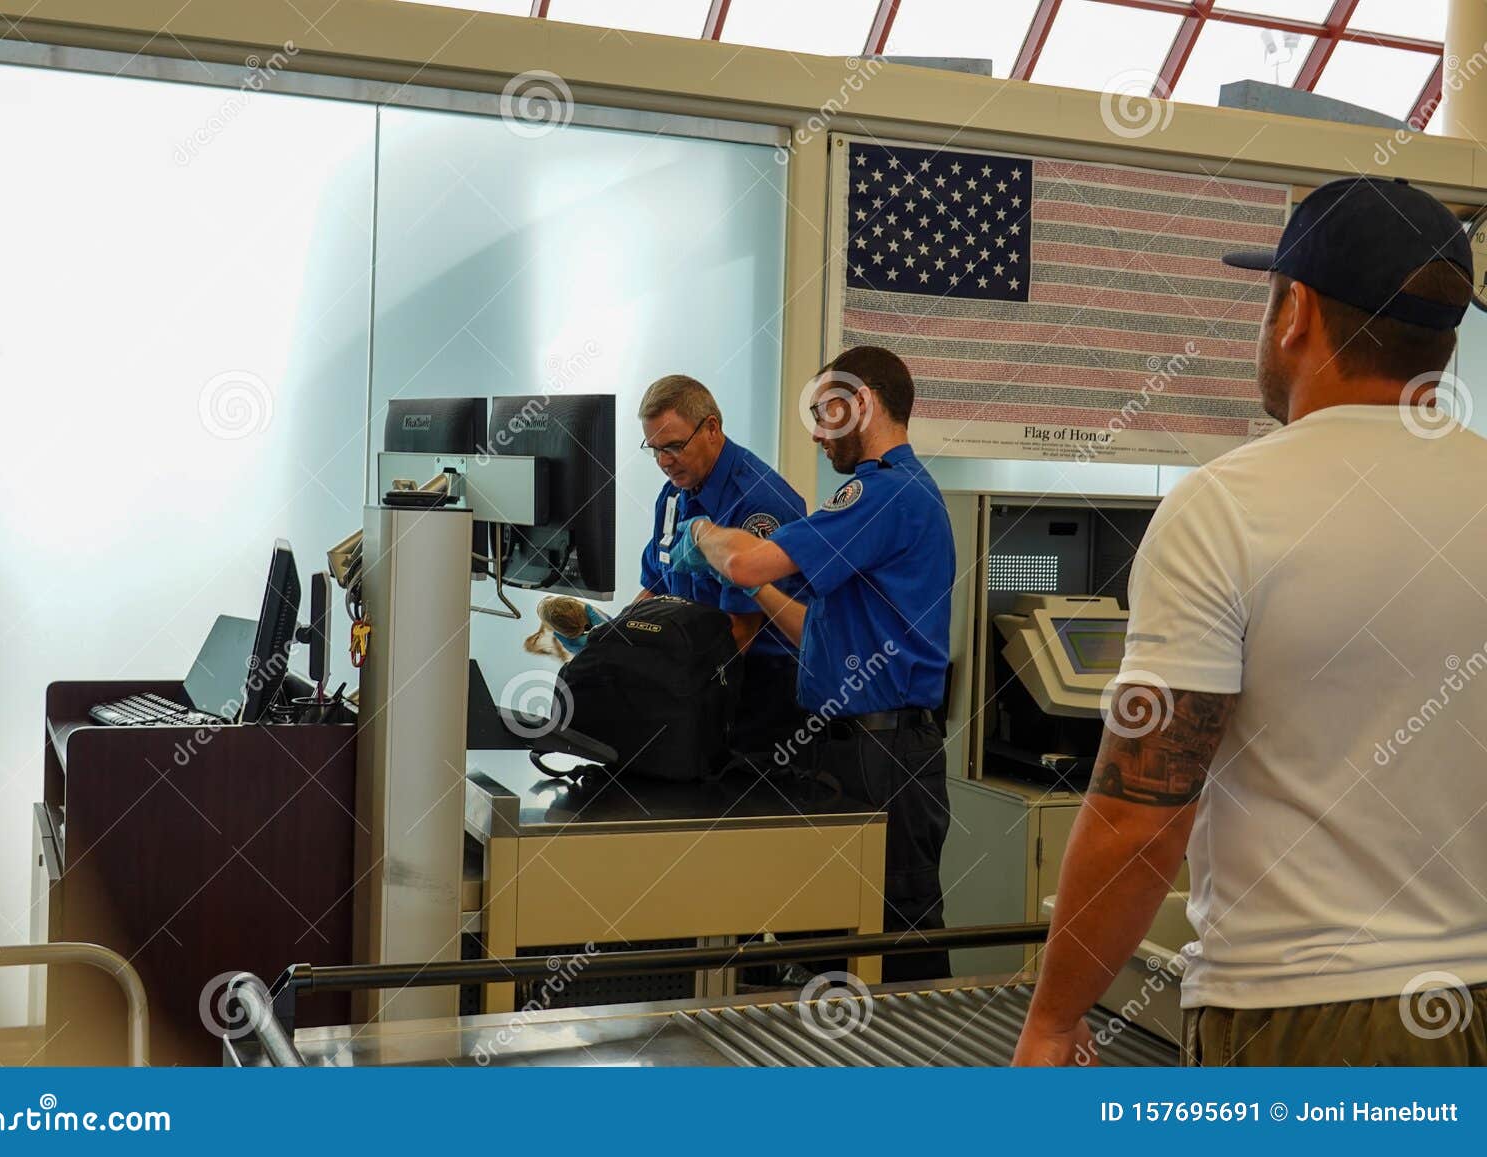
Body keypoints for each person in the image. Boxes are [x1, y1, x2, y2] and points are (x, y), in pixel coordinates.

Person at [1014, 176, 1487, 1066]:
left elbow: (1141, 816)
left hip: (1313, 1018)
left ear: (1296, 312)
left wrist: (1053, 1018)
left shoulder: (1226, 508)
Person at [678, 346, 956, 981]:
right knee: (831, 946)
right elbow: (817, 632)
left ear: (863, 404)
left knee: (899, 949)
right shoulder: (889, 496)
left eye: (828, 410)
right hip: (841, 751)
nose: (818, 429)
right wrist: (759, 592)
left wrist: (703, 537)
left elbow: (746, 560)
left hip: (884, 758)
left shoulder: (881, 493)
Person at [636, 374, 807, 755]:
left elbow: (740, 632)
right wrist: (616, 638)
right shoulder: (675, 493)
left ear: (711, 428)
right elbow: (656, 585)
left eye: (675, 446)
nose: (664, 462)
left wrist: (658, 683)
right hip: (694, 674)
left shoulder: (757, 503)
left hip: (755, 690)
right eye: (655, 449)